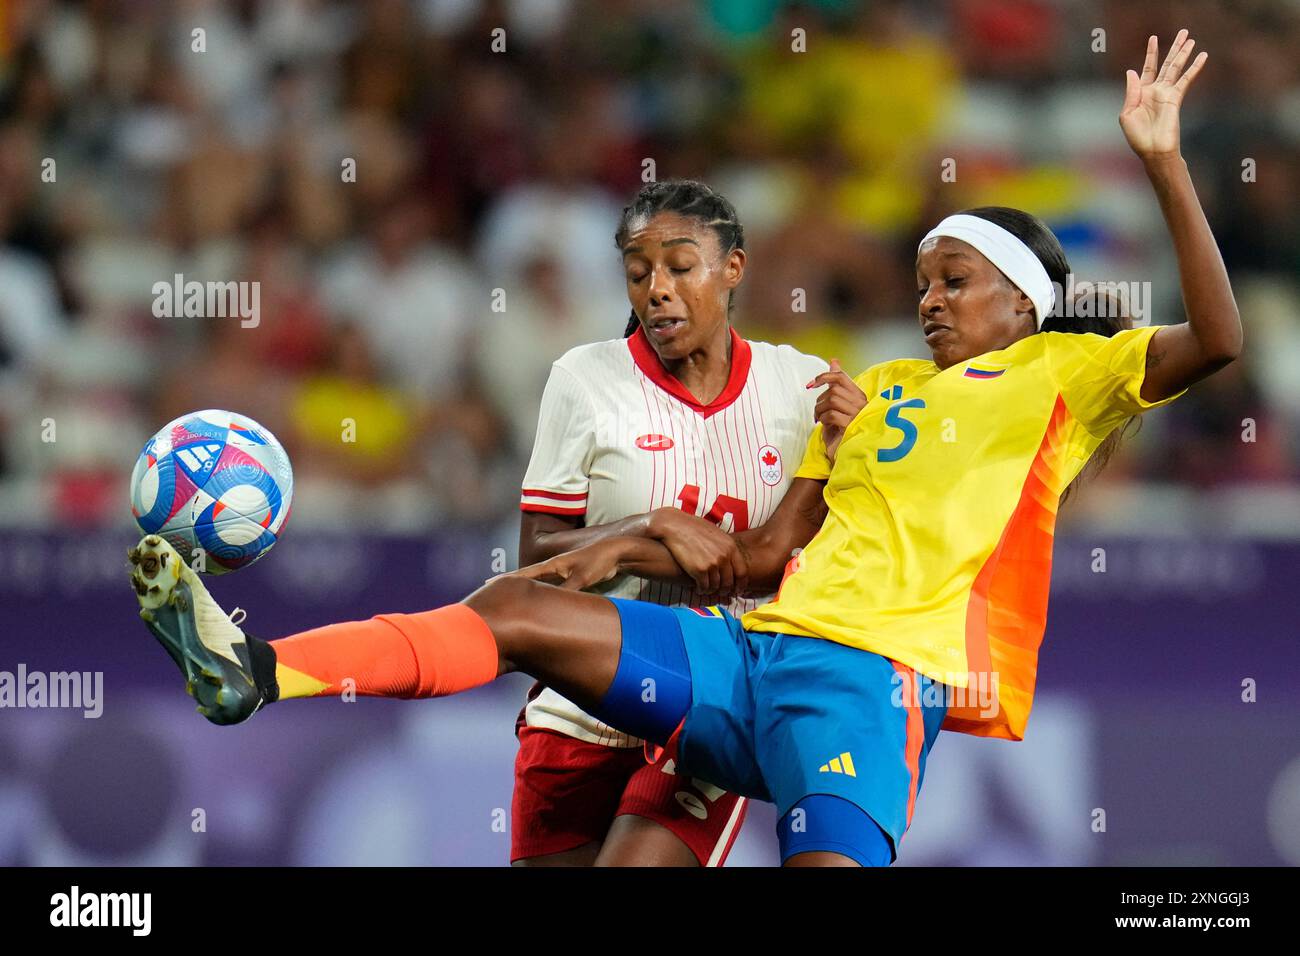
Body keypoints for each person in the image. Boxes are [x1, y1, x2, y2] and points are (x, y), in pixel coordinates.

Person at [127, 33, 1238, 866]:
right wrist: (632, 542)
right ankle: (256, 670)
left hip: (869, 686)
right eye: (920, 285)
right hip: (756, 653)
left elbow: (1220, 339)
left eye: (954, 282)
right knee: (512, 612)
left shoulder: (1062, 379)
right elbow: (764, 558)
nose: (929, 302)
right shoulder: (872, 392)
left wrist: (1162, 163)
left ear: (1026, 304)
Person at [509, 180, 827, 866]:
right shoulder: (584, 379)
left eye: (680, 268)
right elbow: (536, 554)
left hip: (714, 703)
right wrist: (653, 525)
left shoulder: (803, 389)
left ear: (733, 268)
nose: (657, 288)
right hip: (579, 703)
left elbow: (782, 554)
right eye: (637, 272)